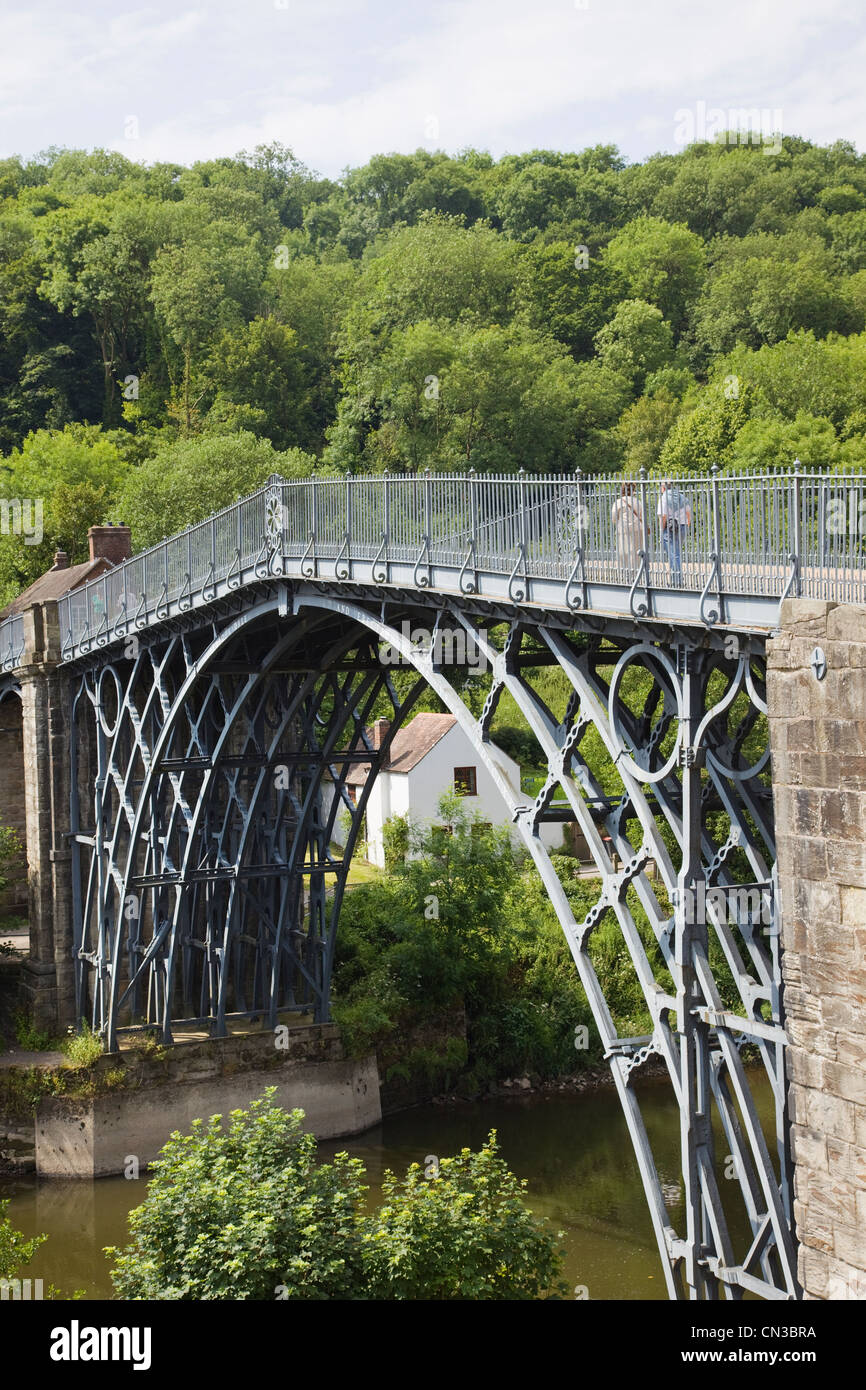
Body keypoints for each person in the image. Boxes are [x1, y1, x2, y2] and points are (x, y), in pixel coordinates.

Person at [657, 479, 692, 586]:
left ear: (663, 488)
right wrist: (687, 525)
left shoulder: (664, 498)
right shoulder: (681, 496)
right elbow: (688, 513)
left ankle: (676, 581)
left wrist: (661, 529)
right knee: (676, 553)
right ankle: (677, 579)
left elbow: (663, 516)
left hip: (670, 528)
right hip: (683, 526)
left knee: (673, 554)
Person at [611, 482, 644, 571]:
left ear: (622, 490)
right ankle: (637, 573)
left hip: (623, 529)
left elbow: (614, 518)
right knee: (636, 552)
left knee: (623, 553)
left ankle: (626, 573)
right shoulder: (638, 501)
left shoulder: (618, 502)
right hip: (638, 529)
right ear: (633, 490)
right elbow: (641, 515)